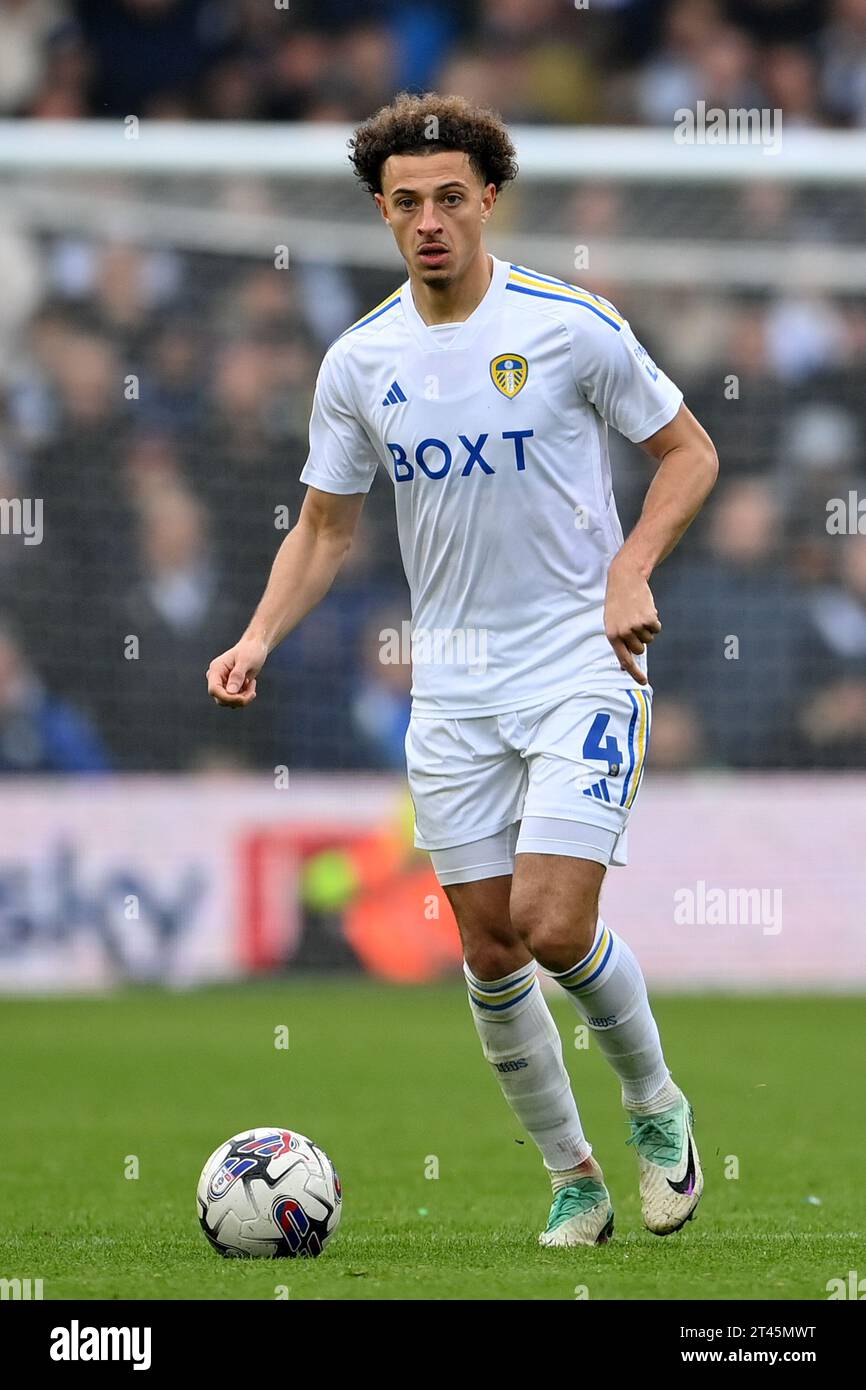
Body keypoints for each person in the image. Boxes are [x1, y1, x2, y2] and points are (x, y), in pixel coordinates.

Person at [207, 92, 719, 1248]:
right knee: (487, 946)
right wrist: (255, 636)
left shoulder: (569, 324)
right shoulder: (359, 362)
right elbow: (326, 529)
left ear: (487, 200)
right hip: (450, 688)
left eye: (449, 198)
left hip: (582, 661)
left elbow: (688, 454)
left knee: (548, 922)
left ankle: (654, 1106)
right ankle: (573, 1177)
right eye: (405, 204)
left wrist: (631, 567)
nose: (429, 221)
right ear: (381, 215)